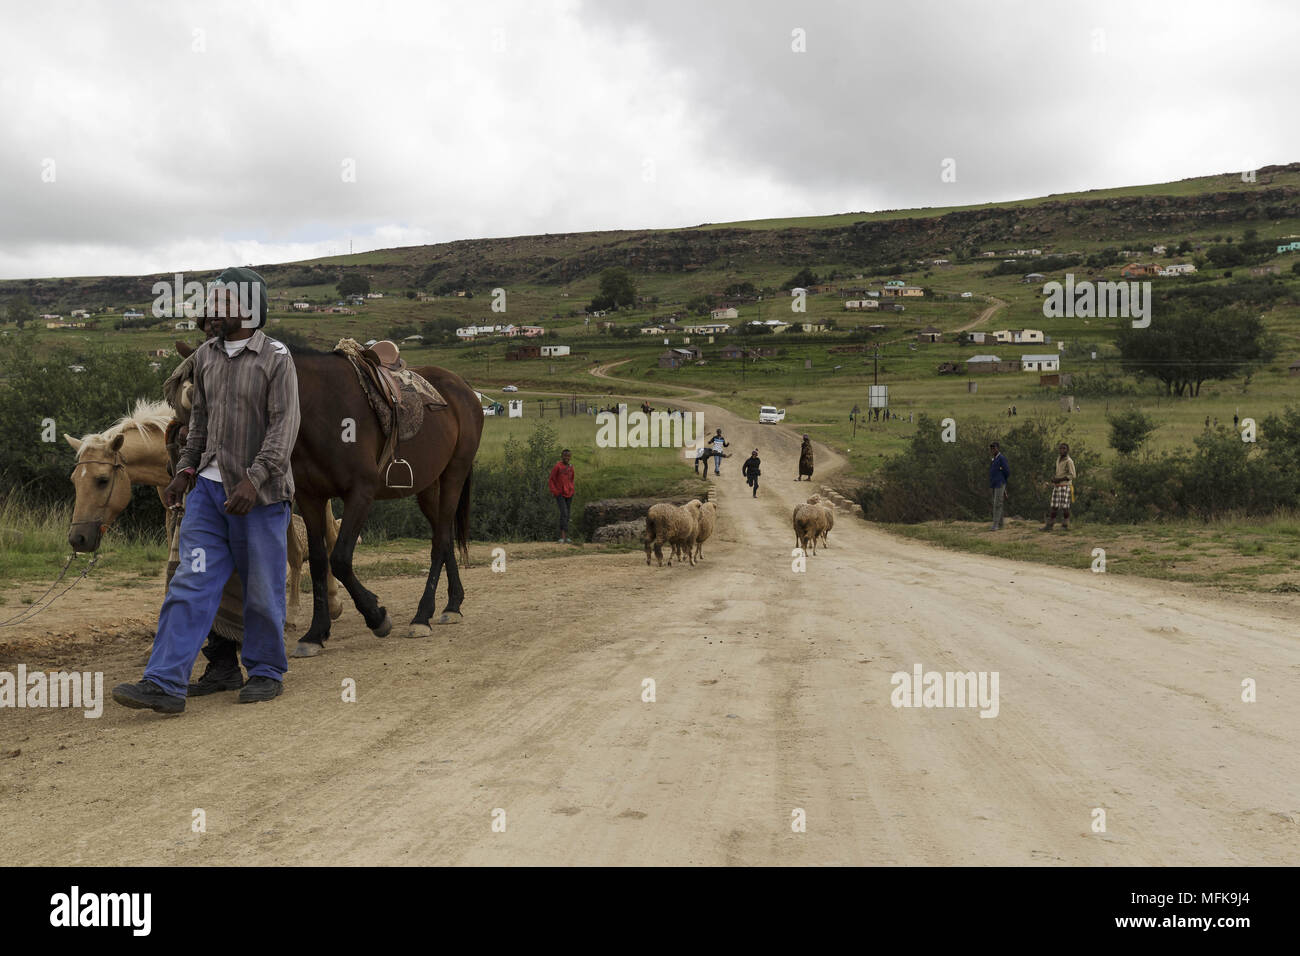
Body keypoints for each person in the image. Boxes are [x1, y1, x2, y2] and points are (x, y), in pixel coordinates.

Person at [112, 267, 300, 714]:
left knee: (260, 587)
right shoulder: (206, 357)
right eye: (210, 301)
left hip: (261, 499)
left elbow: (283, 428)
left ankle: (266, 670)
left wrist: (254, 480)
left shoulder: (277, 358)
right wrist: (185, 469)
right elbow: (200, 424)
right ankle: (163, 682)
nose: (210, 309)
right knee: (190, 584)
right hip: (208, 498)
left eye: (221, 302)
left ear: (249, 307)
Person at [1042, 442, 1076, 531]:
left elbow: (1072, 475)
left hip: (1065, 486)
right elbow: (1059, 472)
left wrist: (1059, 479)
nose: (1062, 450)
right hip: (1057, 486)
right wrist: (1054, 478)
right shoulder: (1058, 459)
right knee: (1054, 506)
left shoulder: (1069, 461)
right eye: (1060, 448)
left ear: (1067, 450)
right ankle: (1050, 525)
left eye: (1064, 448)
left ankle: (1065, 525)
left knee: (1065, 506)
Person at [548, 448, 575, 544]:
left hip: (569, 493)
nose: (567, 458)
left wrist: (572, 489)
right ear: (562, 456)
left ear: (570, 457)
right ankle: (562, 537)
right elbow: (551, 480)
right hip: (560, 493)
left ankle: (566, 538)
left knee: (567, 514)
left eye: (568, 456)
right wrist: (555, 491)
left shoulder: (571, 467)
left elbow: (572, 479)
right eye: (565, 456)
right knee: (564, 512)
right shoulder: (557, 467)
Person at [989, 441, 1010, 531]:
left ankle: (995, 524)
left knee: (997, 504)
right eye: (991, 448)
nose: (993, 450)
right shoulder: (994, 459)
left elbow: (1007, 472)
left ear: (998, 448)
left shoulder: (1001, 458)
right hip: (995, 484)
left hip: (1000, 483)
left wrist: (1002, 480)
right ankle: (1000, 523)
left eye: (994, 448)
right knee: (999, 503)